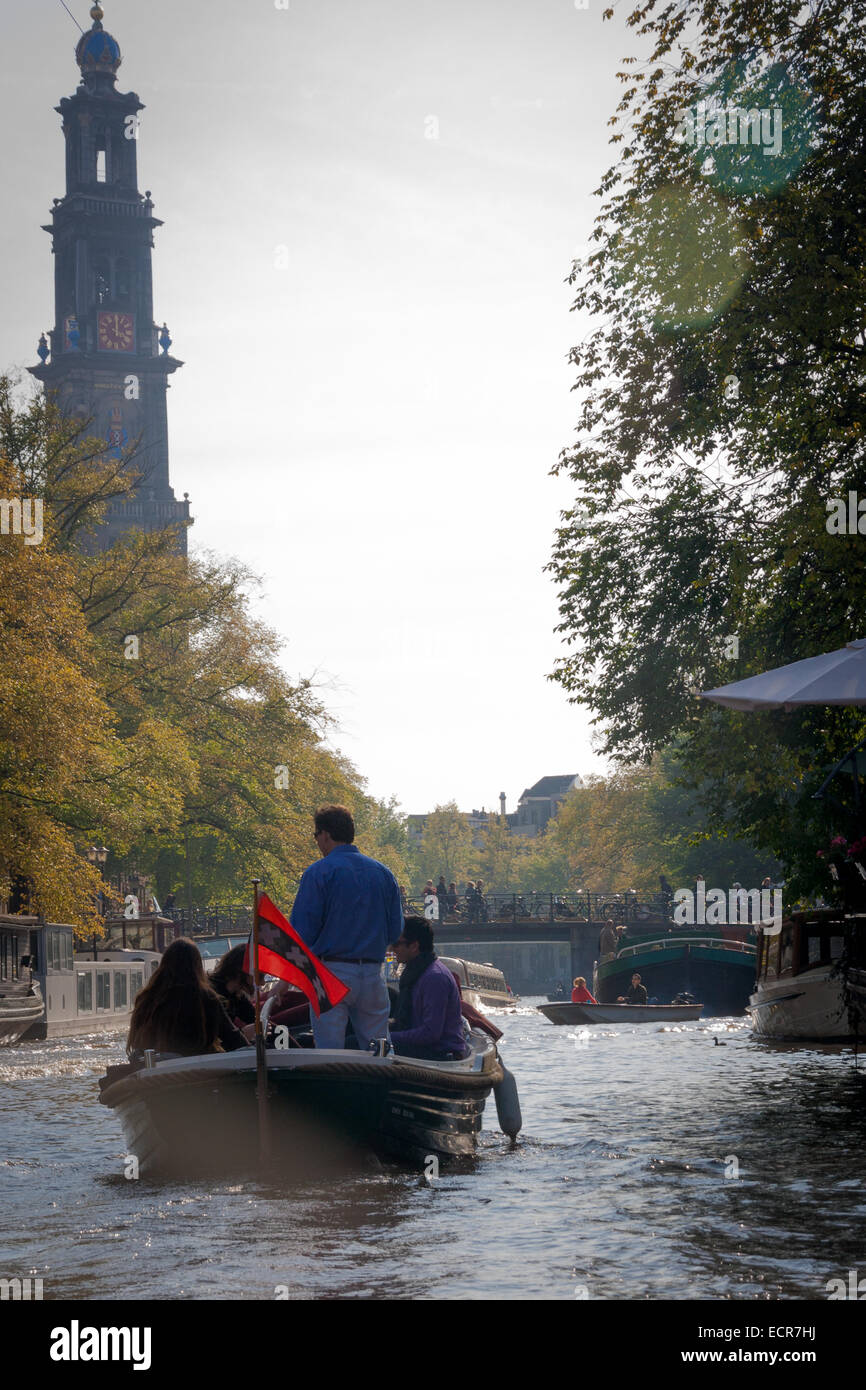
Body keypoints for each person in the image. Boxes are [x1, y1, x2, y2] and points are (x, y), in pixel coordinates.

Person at [290, 804, 403, 1050]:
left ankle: (335, 1086)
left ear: (325, 835)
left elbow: (302, 933)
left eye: (315, 835)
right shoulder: (384, 874)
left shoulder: (318, 873)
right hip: (373, 973)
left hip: (330, 971)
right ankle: (382, 1084)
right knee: (380, 1049)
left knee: (329, 1051)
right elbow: (395, 931)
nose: (317, 842)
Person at [127, 938, 248, 1057]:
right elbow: (233, 1039)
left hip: (154, 1066)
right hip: (194, 1069)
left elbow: (136, 1044)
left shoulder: (145, 998)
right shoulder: (206, 998)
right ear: (197, 966)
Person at [390, 917, 468, 1061]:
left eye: (396, 944)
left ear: (414, 946)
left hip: (439, 1054)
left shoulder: (435, 978)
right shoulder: (417, 973)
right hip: (425, 1049)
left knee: (356, 1043)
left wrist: (386, 1037)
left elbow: (430, 1033)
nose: (391, 949)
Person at [210, 944, 256, 1031]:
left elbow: (254, 1019)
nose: (262, 983)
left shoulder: (235, 994)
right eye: (259, 976)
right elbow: (216, 1036)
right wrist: (244, 1034)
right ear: (241, 972)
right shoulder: (212, 996)